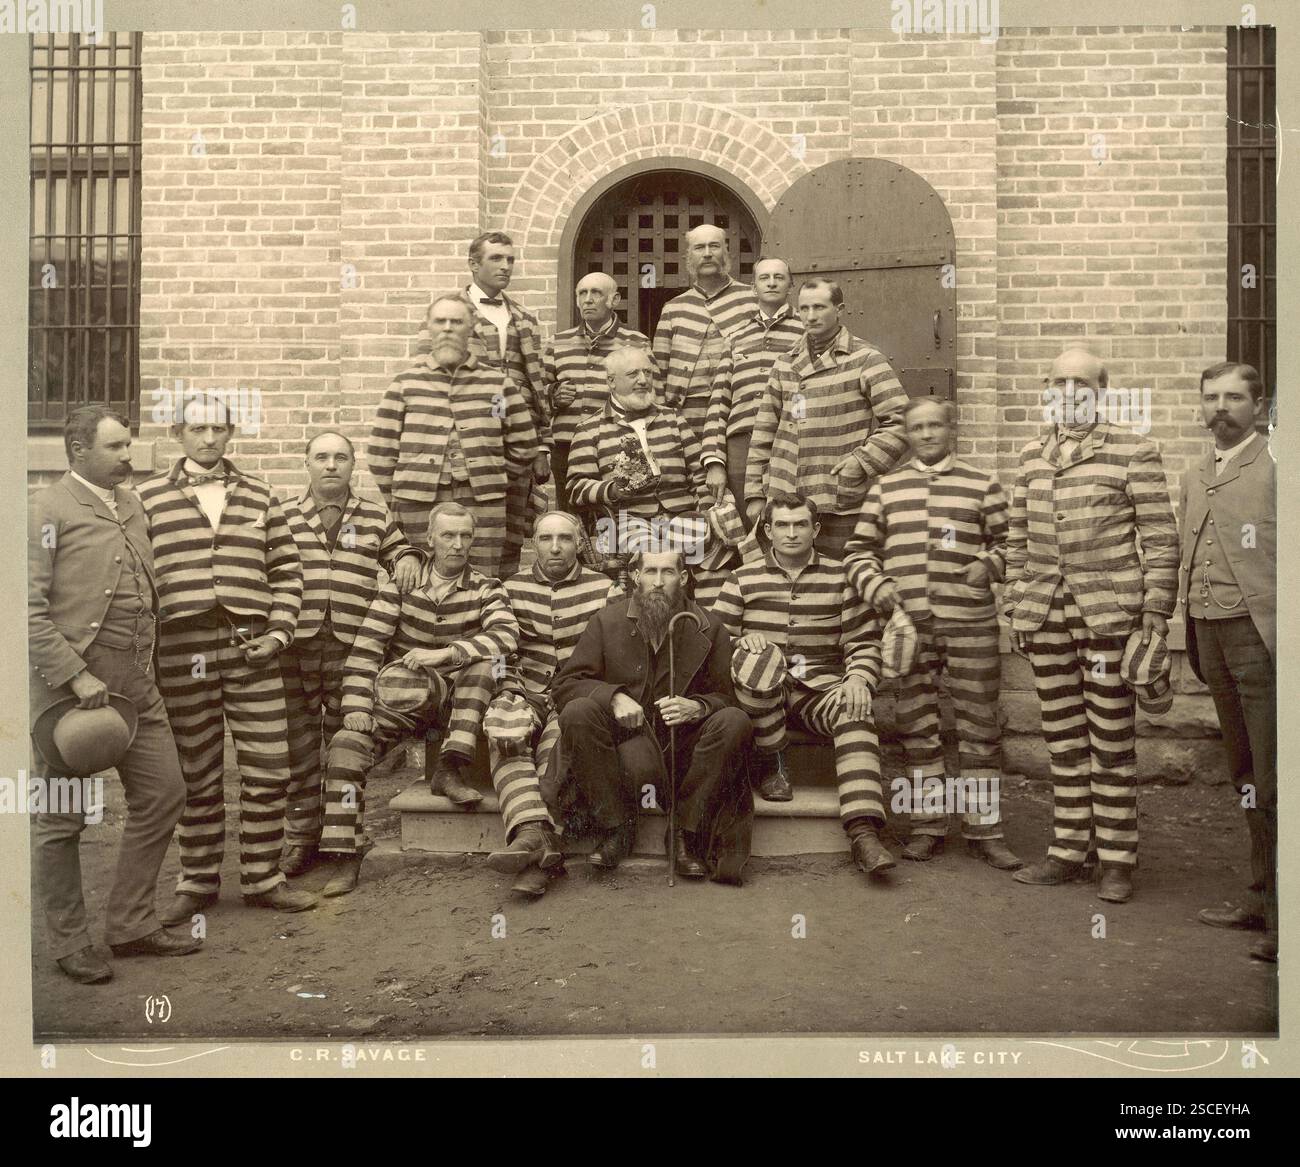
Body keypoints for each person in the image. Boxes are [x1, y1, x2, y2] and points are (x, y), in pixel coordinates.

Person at [29, 406, 200, 984]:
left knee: (165, 794)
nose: (130, 456)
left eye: (129, 445)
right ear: (78, 450)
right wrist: (75, 675)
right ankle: (69, 941)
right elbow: (22, 611)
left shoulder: (131, 503)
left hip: (135, 682)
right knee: (61, 820)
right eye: (116, 447)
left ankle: (128, 924)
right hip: (72, 691)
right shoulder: (47, 509)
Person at [1005, 348, 1179, 904]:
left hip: (1109, 618)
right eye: (1058, 380)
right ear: (1047, 389)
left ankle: (1117, 861)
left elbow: (1159, 538)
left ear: (1102, 390)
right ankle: (1066, 852)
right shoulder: (1032, 455)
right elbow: (1015, 542)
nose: (1070, 389)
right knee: (1061, 738)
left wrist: (1154, 612)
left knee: (1110, 740)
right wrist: (1016, 602)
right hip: (1045, 617)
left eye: (1082, 381)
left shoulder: (1134, 451)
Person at [137, 396, 314, 922]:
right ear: (177, 434)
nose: (209, 438)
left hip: (251, 646)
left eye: (218, 428)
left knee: (268, 767)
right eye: (197, 428)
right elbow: (135, 578)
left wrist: (280, 633)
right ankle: (197, 882)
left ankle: (263, 878)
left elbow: (287, 573)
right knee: (196, 769)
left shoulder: (261, 494)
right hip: (179, 647)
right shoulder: (145, 498)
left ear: (231, 433)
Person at [843, 398, 1021, 870]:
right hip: (908, 630)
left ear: (950, 429)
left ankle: (986, 830)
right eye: (917, 428)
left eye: (934, 426)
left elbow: (1013, 546)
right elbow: (857, 553)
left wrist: (989, 564)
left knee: (980, 729)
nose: (926, 435)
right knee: (917, 728)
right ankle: (927, 825)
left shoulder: (982, 484)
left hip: (972, 626)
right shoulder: (885, 488)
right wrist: (878, 589)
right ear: (906, 434)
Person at [317, 503, 519, 895]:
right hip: (404, 701)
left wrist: (449, 653)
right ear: (430, 539)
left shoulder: (486, 587)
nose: (457, 545)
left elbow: (507, 637)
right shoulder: (399, 587)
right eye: (448, 535)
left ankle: (449, 766)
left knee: (484, 667)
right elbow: (367, 648)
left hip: (460, 705)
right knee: (345, 746)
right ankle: (345, 856)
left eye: (465, 536)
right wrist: (357, 706)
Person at [714, 492, 894, 880]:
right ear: (767, 531)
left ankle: (864, 832)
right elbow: (714, 640)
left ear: (816, 529)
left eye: (800, 525)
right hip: (761, 698)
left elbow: (863, 640)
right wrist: (741, 643)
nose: (791, 533)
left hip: (819, 691)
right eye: (782, 525)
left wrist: (860, 677)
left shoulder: (841, 575)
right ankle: (773, 765)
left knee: (855, 709)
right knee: (757, 665)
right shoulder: (743, 578)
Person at [553, 550, 753, 880]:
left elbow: (727, 699)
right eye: (650, 572)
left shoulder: (709, 627)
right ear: (635, 576)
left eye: (668, 573)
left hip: (686, 752)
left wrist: (698, 707)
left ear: (684, 578)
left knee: (734, 722)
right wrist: (613, 697)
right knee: (578, 710)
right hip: (625, 750)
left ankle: (683, 834)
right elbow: (566, 685)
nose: (658, 582)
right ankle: (617, 828)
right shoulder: (607, 621)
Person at [279, 431, 423, 877]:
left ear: (352, 465)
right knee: (298, 748)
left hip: (350, 646)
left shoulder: (375, 514)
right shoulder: (282, 515)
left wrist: (408, 556)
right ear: (306, 463)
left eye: (340, 457)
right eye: (321, 456)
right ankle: (301, 837)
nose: (330, 465)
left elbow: (399, 547)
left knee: (346, 742)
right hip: (295, 647)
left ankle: (344, 838)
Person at [1180, 363, 1277, 962]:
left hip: (1261, 636)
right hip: (1208, 633)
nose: (1222, 408)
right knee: (1243, 771)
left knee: (1273, 777)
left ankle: (1285, 917)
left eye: (1235, 397)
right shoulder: (1195, 470)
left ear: (1258, 403)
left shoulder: (1278, 464)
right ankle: (1260, 896)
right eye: (1211, 398)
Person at [483, 511, 621, 896]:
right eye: (546, 539)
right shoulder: (510, 588)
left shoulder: (604, 588)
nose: (555, 547)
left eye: (564, 538)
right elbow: (501, 650)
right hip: (526, 688)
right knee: (505, 733)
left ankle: (534, 847)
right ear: (534, 544)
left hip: (577, 692)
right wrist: (508, 691)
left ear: (579, 544)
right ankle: (535, 837)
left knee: (556, 747)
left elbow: (616, 652)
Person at [370, 293, 540, 578]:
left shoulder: (497, 385)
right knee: (417, 583)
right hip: (416, 507)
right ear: (429, 327)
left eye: (456, 321)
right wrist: (407, 491)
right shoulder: (405, 385)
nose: (448, 328)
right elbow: (380, 455)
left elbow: (524, 445)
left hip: (483, 508)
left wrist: (490, 478)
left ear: (471, 326)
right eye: (440, 321)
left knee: (481, 583)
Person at [416, 231, 552, 578]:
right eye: (497, 259)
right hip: (471, 441)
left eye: (510, 259)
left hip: (516, 443)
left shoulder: (524, 318)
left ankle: (498, 610)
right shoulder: (449, 316)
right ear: (474, 264)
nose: (506, 266)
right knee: (463, 531)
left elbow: (538, 386)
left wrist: (540, 447)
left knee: (509, 535)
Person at [744, 278, 909, 558]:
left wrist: (861, 462)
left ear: (839, 309)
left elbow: (903, 420)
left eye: (819, 307)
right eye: (804, 308)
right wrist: (755, 494)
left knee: (837, 580)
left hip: (836, 499)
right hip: (786, 501)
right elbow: (763, 432)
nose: (810, 316)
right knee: (788, 581)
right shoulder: (785, 363)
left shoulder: (865, 359)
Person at [565, 345, 712, 559]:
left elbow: (700, 473)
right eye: (633, 374)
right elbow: (575, 489)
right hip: (625, 520)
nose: (643, 380)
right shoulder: (589, 429)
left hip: (682, 514)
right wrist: (613, 490)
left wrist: (705, 511)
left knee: (710, 558)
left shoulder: (673, 419)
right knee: (654, 558)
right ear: (611, 381)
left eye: (648, 372)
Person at [542, 272, 653, 511]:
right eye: (582, 293)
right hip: (567, 447)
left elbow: (651, 397)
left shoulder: (637, 342)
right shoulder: (558, 343)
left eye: (596, 293)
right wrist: (553, 395)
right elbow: (536, 396)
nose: (588, 299)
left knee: (613, 522)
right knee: (572, 523)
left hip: (616, 446)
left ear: (614, 300)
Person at [701, 256, 804, 511]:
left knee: (785, 519)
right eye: (764, 278)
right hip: (740, 445)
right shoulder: (737, 336)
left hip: (788, 441)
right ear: (753, 288)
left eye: (779, 278)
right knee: (744, 524)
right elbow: (719, 400)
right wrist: (715, 460)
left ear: (790, 286)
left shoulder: (805, 332)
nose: (771, 283)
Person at [651, 224, 756, 448]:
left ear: (726, 252)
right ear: (689, 256)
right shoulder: (674, 308)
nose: (707, 253)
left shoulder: (750, 299)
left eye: (714, 246)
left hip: (737, 408)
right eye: (699, 248)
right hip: (686, 413)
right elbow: (658, 371)